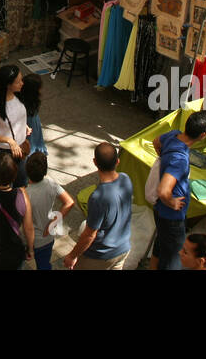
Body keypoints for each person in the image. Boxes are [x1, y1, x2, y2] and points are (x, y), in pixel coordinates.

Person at [151, 111, 206, 269]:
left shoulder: (174, 135)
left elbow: (156, 141)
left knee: (160, 245)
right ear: (203, 135)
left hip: (160, 211)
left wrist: (164, 158)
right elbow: (163, 190)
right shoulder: (179, 160)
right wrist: (171, 201)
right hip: (171, 216)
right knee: (172, 258)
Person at [63, 142, 133, 270]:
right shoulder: (126, 179)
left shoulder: (98, 197)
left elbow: (89, 235)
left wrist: (72, 256)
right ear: (118, 161)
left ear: (95, 162)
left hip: (101, 256)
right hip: (123, 248)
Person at [0, 153, 35, 270]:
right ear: (14, 174)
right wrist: (30, 249)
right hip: (14, 257)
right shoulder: (22, 195)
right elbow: (28, 228)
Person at [25, 150, 74, 271]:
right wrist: (52, 224)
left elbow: (28, 226)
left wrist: (30, 248)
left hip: (31, 240)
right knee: (44, 265)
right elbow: (69, 202)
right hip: (48, 237)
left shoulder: (25, 194)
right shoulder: (51, 184)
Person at [0, 64, 31, 188]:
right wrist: (10, 141)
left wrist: (23, 126)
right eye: (18, 82)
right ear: (8, 84)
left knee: (21, 182)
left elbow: (17, 115)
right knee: (5, 186)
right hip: (3, 152)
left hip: (20, 147)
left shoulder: (18, 95)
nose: (22, 83)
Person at [18, 73, 47, 154]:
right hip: (31, 122)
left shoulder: (20, 97)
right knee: (31, 141)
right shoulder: (33, 101)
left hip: (29, 121)